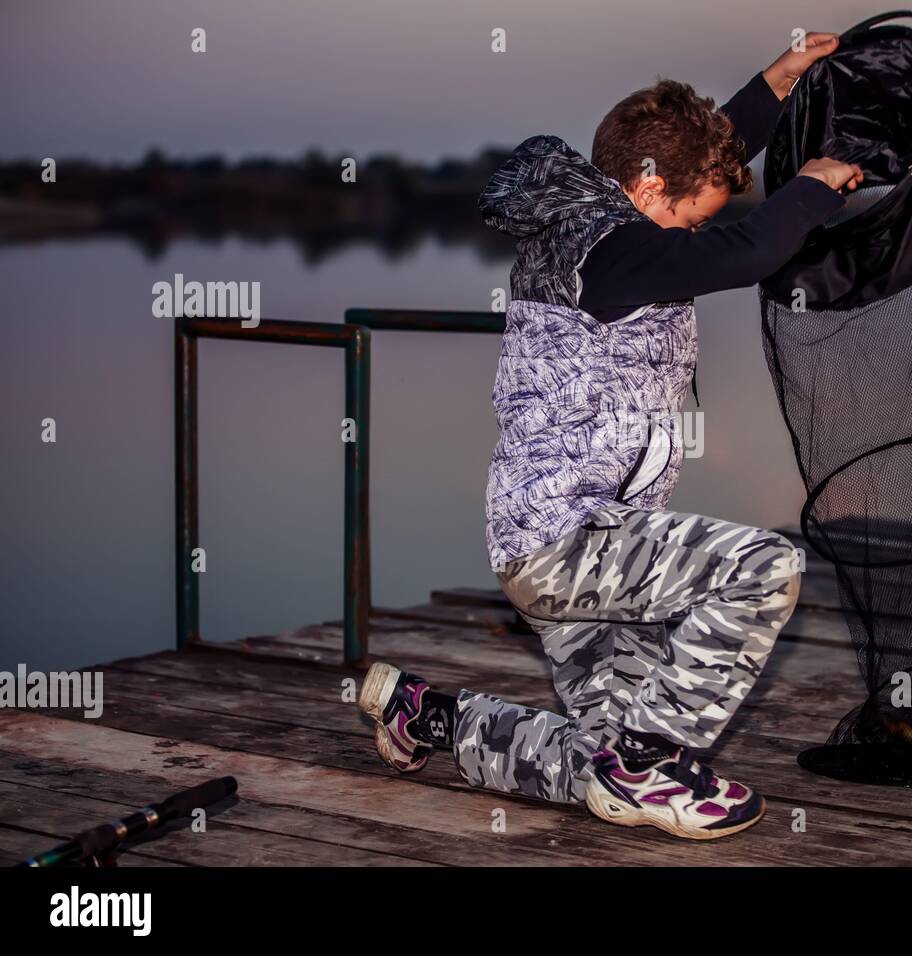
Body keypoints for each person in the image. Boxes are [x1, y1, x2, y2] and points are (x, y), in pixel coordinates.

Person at [360, 33, 864, 839]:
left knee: (599, 754)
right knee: (764, 568)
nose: (693, 235)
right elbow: (755, 248)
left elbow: (700, 164)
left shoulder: (596, 215)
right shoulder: (613, 251)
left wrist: (776, 82)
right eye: (688, 216)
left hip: (558, 539)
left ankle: (435, 718)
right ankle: (650, 763)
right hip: (572, 540)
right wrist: (813, 184)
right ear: (648, 186)